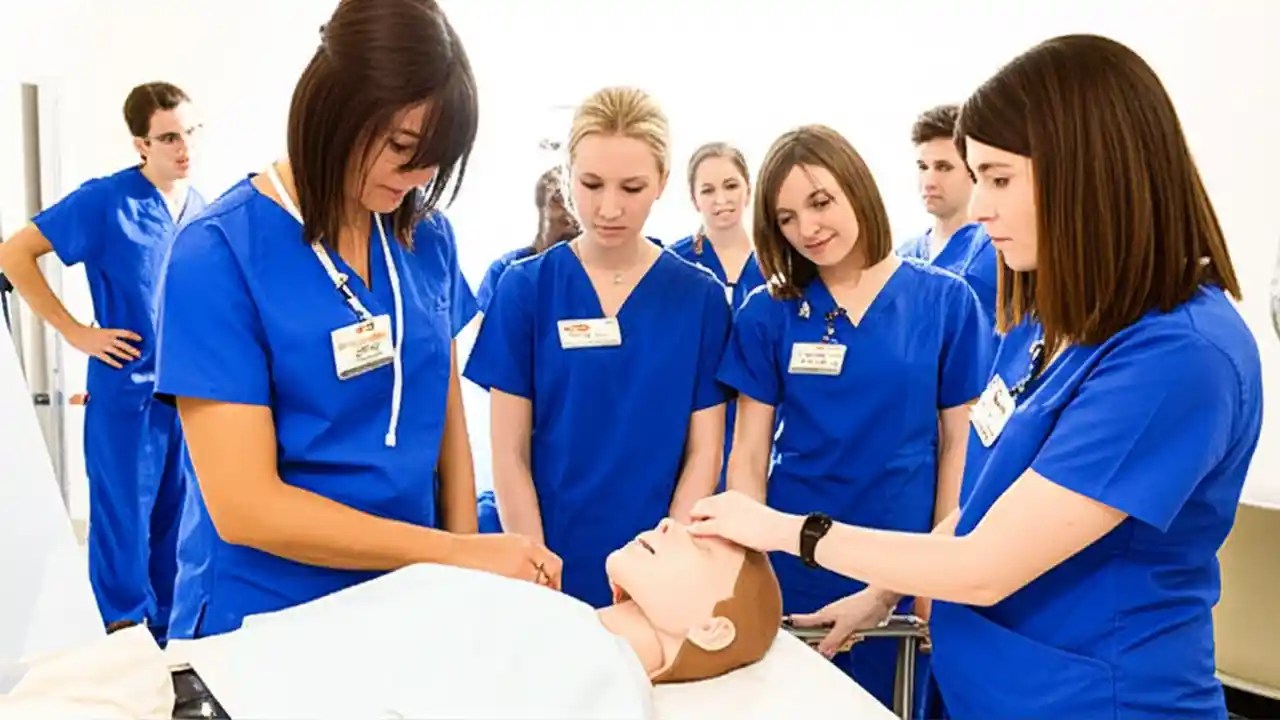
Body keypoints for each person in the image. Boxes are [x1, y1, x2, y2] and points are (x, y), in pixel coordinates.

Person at [686, 34, 1263, 720]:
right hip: (983, 687)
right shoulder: (1049, 320)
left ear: (1086, 169)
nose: (979, 207)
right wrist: (880, 593)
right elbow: (986, 503)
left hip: (1095, 699)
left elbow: (988, 563)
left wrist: (784, 530)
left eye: (997, 178)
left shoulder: (1178, 358)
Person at [152, 0, 560, 639]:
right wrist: (455, 553)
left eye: (437, 158)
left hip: (409, 597)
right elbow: (246, 508)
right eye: (402, 147)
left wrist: (464, 575)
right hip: (265, 616)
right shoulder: (217, 253)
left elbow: (444, 408)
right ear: (332, 108)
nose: (420, 175)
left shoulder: (425, 235)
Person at [715, 124, 993, 709]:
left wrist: (932, 575)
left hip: (901, 556)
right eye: (786, 218)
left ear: (857, 189)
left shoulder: (946, 301)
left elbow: (957, 448)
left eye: (820, 203)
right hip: (793, 556)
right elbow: (748, 453)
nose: (807, 229)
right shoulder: (769, 312)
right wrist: (749, 567)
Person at [464, 86, 733, 609]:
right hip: (546, 556)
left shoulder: (699, 299)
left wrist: (662, 567)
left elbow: (705, 453)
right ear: (567, 176)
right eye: (591, 184)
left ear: (662, 183)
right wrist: (536, 566)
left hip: (656, 562)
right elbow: (509, 452)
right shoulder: (527, 289)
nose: (609, 208)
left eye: (632, 187)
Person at [0, 81, 207, 643]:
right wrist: (77, 333)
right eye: (169, 137)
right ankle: (122, 643)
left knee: (178, 526)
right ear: (141, 144)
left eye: (191, 132)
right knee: (123, 529)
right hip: (127, 394)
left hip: (191, 397)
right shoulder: (106, 201)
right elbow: (13, 253)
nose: (184, 147)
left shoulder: (204, 211)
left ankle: (171, 647)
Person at [668, 143, 768, 493]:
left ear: (748, 188)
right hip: (693, 416)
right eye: (707, 190)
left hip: (762, 416)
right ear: (694, 199)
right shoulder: (673, 265)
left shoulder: (777, 262)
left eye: (730, 185)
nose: (720, 199)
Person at [896, 105, 997, 320]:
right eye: (923, 167)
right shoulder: (903, 256)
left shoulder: (998, 248)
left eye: (943, 167)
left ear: (974, 171)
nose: (929, 181)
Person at [473, 166, 581, 315]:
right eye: (559, 200)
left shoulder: (607, 275)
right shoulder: (506, 270)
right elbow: (482, 330)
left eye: (576, 203)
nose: (571, 215)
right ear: (541, 209)